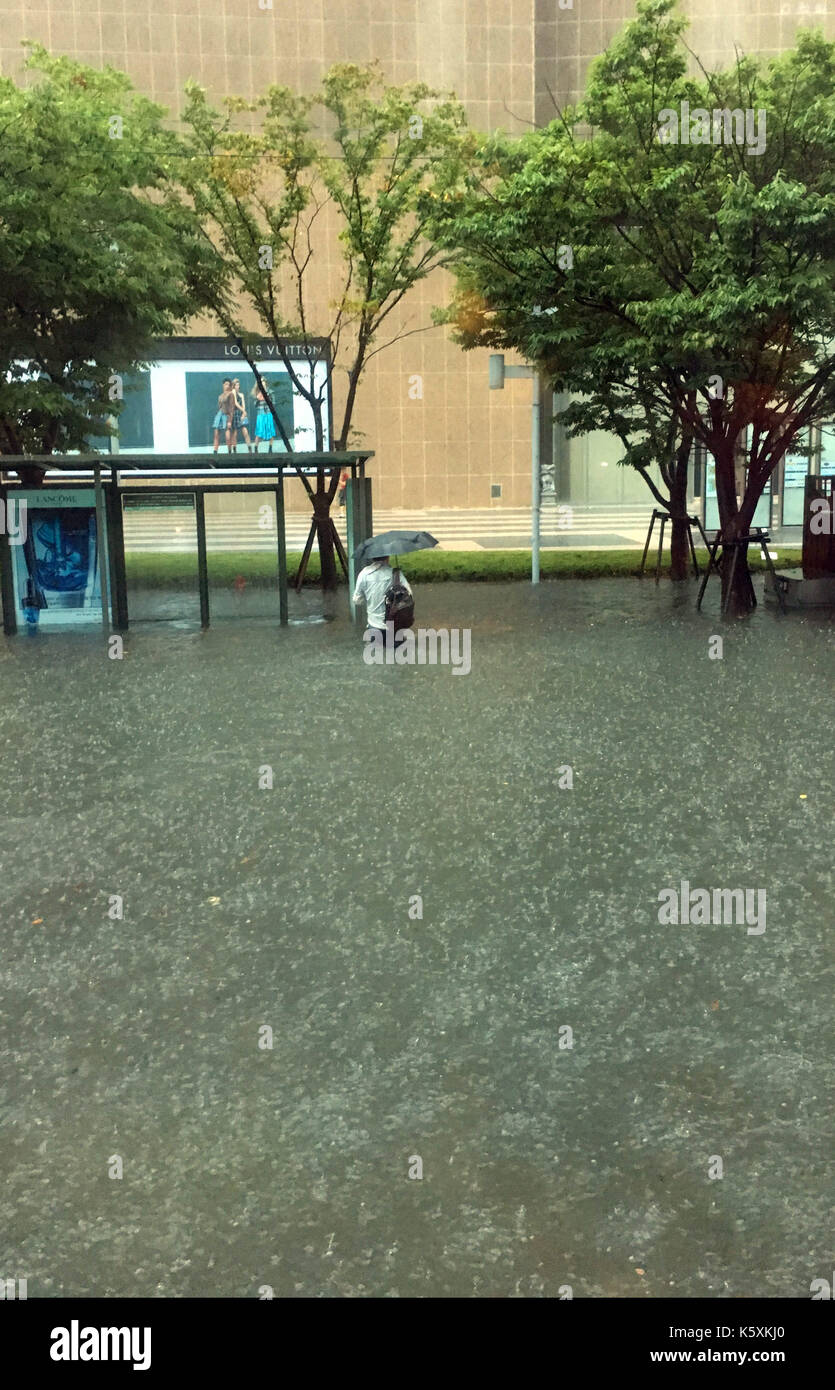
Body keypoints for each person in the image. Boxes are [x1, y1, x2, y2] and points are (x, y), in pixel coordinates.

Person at [352, 555, 412, 646]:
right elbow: (409, 595)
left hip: (373, 628)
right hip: (393, 628)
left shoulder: (364, 574)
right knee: (398, 656)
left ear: (372, 558)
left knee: (374, 656)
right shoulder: (395, 574)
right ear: (387, 557)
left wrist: (370, 599)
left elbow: (357, 600)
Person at [252, 385, 277, 453]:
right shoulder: (257, 392)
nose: (262, 383)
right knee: (259, 432)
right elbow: (255, 405)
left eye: (263, 381)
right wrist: (257, 398)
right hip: (260, 414)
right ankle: (256, 448)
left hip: (268, 413)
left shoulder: (270, 392)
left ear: (265, 383)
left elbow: (274, 403)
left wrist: (267, 399)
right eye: (261, 381)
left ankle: (270, 448)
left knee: (270, 431)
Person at [231, 378, 253, 453]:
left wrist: (243, 413)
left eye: (238, 385)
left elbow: (243, 404)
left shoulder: (242, 394)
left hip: (241, 414)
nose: (237, 386)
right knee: (235, 432)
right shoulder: (233, 392)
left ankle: (249, 448)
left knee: (245, 431)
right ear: (233, 386)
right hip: (235, 413)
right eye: (236, 385)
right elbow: (236, 403)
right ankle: (234, 449)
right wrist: (244, 411)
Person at [212, 379, 233, 453]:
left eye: (228, 384)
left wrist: (230, 420)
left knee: (227, 436)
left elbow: (231, 408)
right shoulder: (220, 396)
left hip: (226, 415)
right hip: (219, 415)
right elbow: (219, 407)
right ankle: (215, 451)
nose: (227, 386)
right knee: (216, 434)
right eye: (225, 384)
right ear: (223, 385)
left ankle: (229, 451)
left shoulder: (230, 394)